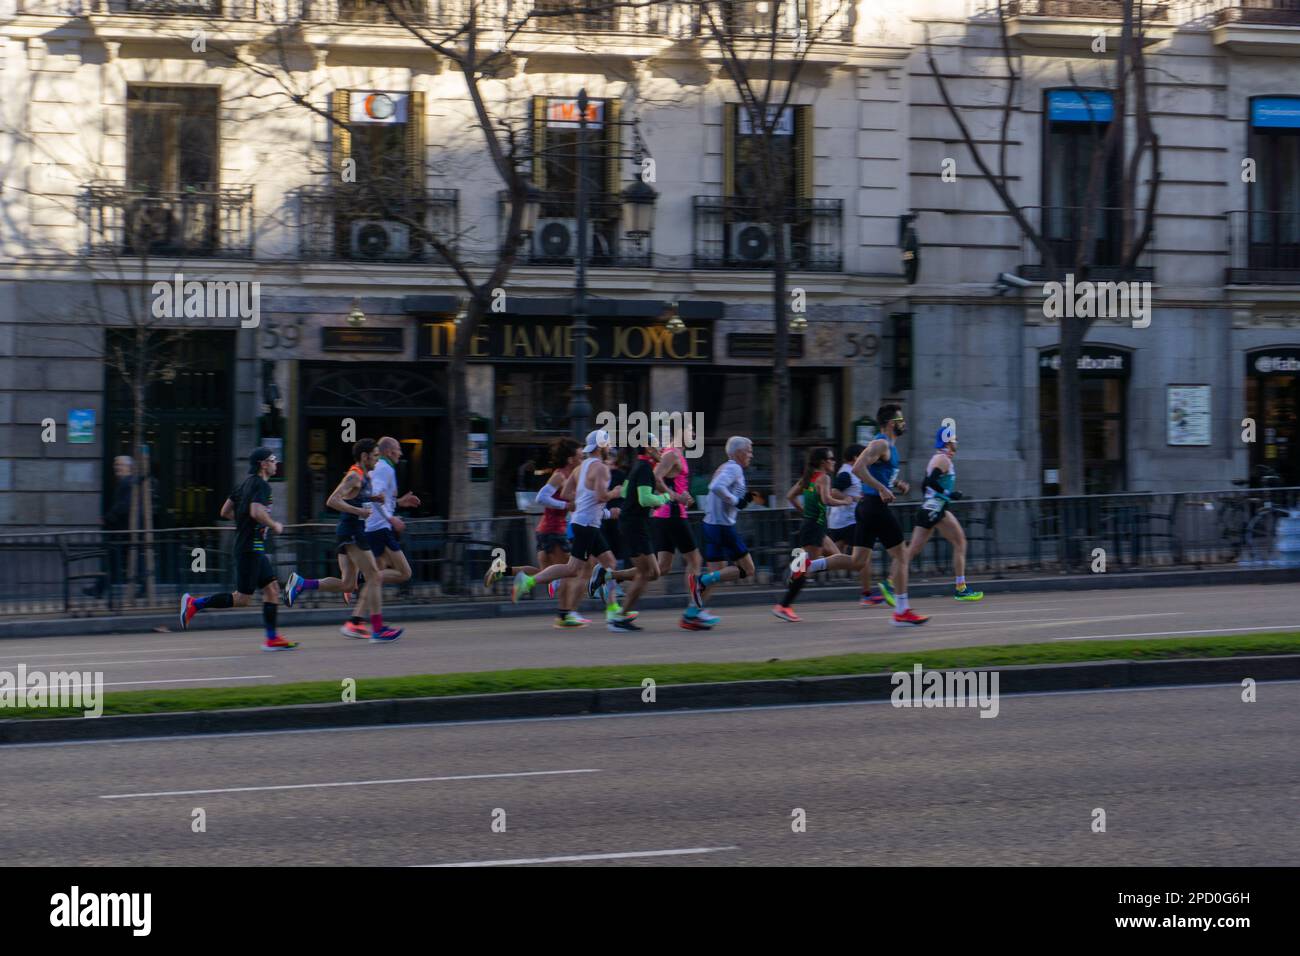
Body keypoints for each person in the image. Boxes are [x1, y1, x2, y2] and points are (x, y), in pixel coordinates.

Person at [511, 430, 642, 629]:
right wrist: (616, 492)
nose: (610, 448)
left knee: (609, 562)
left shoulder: (580, 469)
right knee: (573, 569)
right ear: (600, 446)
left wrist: (595, 509)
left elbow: (566, 493)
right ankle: (527, 581)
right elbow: (601, 496)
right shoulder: (600, 469)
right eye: (607, 445)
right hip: (587, 524)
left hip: (586, 522)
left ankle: (612, 608)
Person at [282, 440, 401, 642]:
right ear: (364, 457)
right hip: (352, 531)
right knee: (373, 576)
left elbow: (357, 496)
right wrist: (360, 511)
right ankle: (379, 629)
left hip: (349, 531)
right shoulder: (354, 475)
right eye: (374, 456)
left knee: (348, 584)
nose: (377, 459)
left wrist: (375, 499)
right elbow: (332, 500)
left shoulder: (364, 476)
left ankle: (301, 583)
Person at [180, 448, 297, 651]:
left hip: (254, 547)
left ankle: (272, 639)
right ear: (263, 464)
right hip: (249, 548)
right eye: (272, 460)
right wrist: (273, 524)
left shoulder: (244, 484)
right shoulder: (261, 485)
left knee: (272, 589)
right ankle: (194, 604)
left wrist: (245, 521)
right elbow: (256, 511)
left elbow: (225, 511)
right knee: (242, 599)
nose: (276, 463)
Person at [853, 404, 929, 626]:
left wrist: (895, 484)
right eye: (900, 419)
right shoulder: (881, 443)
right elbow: (858, 468)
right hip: (875, 506)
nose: (904, 423)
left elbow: (878, 471)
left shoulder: (890, 447)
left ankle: (811, 564)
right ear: (890, 423)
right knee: (902, 555)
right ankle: (902, 612)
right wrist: (882, 489)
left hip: (870, 506)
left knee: (856, 561)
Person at [772, 447, 853, 622]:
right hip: (814, 527)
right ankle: (784, 605)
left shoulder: (808, 478)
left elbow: (791, 496)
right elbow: (826, 500)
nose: (834, 461)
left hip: (814, 526)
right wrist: (845, 501)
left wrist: (805, 513)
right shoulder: (824, 478)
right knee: (808, 568)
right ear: (823, 462)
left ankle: (795, 569)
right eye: (831, 459)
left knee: (836, 557)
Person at [906, 426, 984, 602]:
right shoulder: (943, 459)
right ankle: (960, 589)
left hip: (932, 508)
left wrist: (938, 498)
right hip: (936, 509)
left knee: (913, 550)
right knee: (959, 542)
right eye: (954, 440)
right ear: (948, 442)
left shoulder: (939, 458)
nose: (957, 443)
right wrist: (949, 494)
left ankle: (889, 583)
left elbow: (924, 485)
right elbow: (929, 481)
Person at [691, 436, 756, 623]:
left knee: (716, 575)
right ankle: (700, 581)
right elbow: (715, 487)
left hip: (711, 525)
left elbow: (720, 489)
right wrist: (737, 501)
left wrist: (738, 502)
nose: (751, 455)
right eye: (749, 450)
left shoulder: (725, 467)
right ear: (738, 452)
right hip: (722, 527)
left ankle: (692, 613)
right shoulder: (734, 468)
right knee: (748, 570)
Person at [652, 423, 708, 631]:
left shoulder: (675, 454)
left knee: (661, 568)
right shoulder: (672, 454)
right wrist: (677, 497)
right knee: (695, 559)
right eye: (690, 430)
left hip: (666, 515)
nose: (694, 433)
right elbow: (654, 478)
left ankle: (611, 577)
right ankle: (694, 611)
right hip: (672, 514)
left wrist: (682, 496)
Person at [828, 444, 883, 606]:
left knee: (836, 556)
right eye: (863, 455)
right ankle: (866, 595)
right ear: (855, 458)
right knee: (864, 558)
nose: (866, 458)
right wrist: (850, 499)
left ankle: (804, 568)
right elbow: (834, 491)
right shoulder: (846, 473)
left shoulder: (853, 472)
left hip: (841, 522)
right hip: (848, 521)